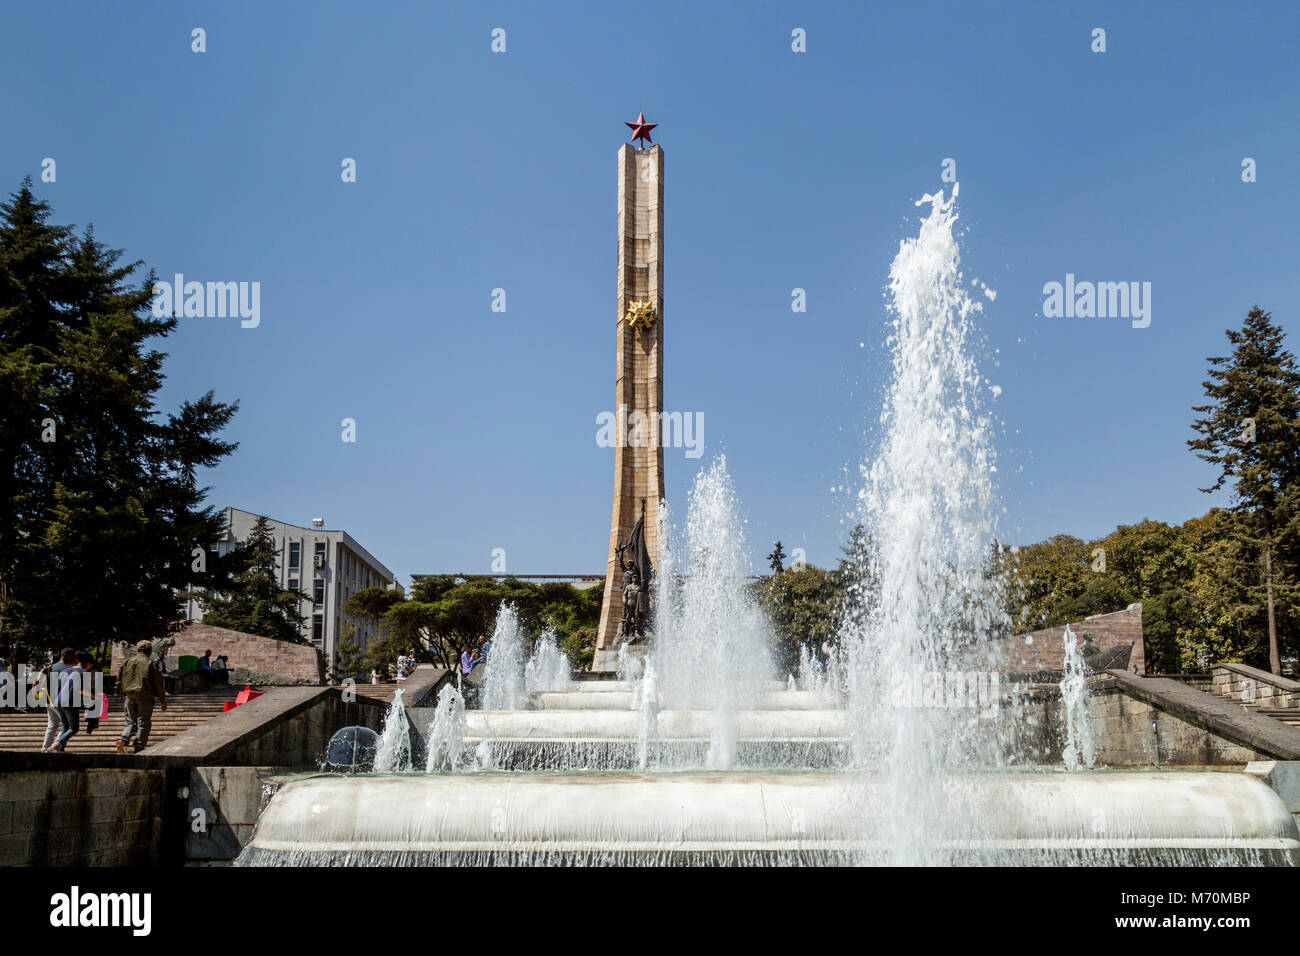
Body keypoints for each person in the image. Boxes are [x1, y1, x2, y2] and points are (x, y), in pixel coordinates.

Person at [116, 640, 167, 754]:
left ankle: (122, 740)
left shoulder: (127, 661)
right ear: (149, 651)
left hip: (129, 696)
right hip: (145, 697)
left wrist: (124, 693)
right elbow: (158, 683)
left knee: (130, 722)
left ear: (138, 650)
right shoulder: (151, 663)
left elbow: (118, 681)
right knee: (143, 723)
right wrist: (163, 701)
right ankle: (139, 746)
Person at [39, 648, 78, 751]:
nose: (75, 658)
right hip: (58, 700)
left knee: (52, 725)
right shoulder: (65, 668)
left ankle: (45, 748)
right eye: (73, 656)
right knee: (66, 725)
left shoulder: (52, 666)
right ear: (66, 655)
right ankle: (57, 746)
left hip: (48, 699)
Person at [48, 654, 88, 752]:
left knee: (65, 727)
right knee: (74, 728)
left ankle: (60, 749)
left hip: (58, 701)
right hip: (70, 702)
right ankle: (56, 744)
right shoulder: (83, 672)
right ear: (87, 663)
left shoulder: (65, 670)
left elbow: (57, 687)